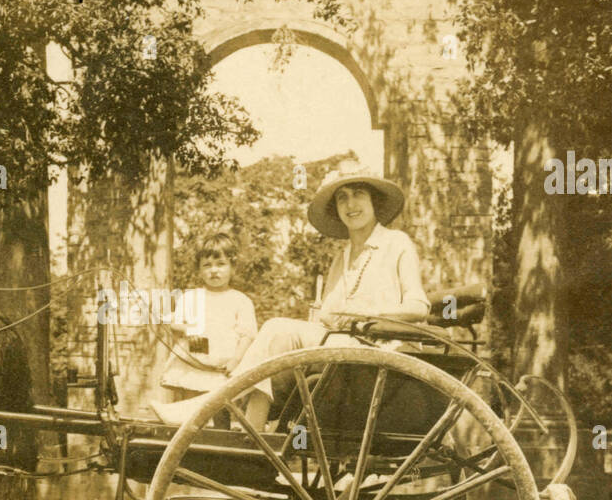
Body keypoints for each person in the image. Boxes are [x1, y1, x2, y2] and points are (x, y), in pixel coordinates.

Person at [151, 159, 430, 430]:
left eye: (359, 195)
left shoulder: (396, 243)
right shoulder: (341, 257)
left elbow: (419, 307)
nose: (351, 204)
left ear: (374, 202)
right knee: (276, 342)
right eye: (342, 198)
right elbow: (326, 320)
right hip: (342, 345)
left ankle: (205, 407)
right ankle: (253, 430)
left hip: (383, 351)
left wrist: (370, 315)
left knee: (276, 328)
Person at [154, 231, 257, 425]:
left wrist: (236, 360)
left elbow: (247, 335)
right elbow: (175, 323)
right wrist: (186, 328)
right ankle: (187, 443)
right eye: (207, 266)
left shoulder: (240, 300)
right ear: (199, 270)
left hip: (222, 369)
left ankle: (219, 445)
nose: (214, 271)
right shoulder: (191, 297)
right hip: (195, 363)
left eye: (221, 264)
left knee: (219, 408)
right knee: (190, 409)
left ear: (233, 267)